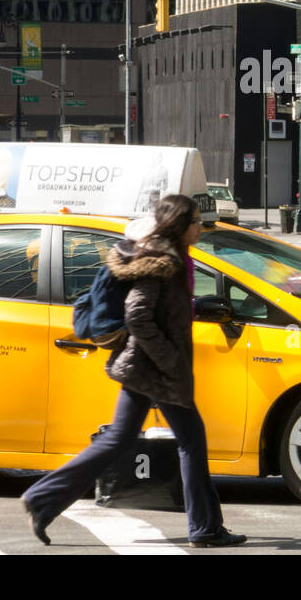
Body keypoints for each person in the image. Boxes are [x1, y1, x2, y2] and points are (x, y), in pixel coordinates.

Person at [22, 195, 246, 549]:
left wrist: (192, 307)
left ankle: (43, 498)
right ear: (178, 225)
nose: (200, 227)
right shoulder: (161, 261)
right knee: (191, 441)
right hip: (155, 367)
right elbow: (138, 314)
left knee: (121, 439)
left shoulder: (168, 257)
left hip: (145, 367)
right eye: (195, 221)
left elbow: (158, 309)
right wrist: (169, 358)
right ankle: (205, 529)